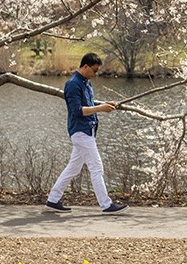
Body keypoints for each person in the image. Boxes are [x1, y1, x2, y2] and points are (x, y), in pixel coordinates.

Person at [45, 53, 128, 213]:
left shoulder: (86, 83)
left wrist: (105, 104)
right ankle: (106, 204)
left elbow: (89, 103)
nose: (95, 74)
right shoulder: (73, 84)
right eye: (94, 70)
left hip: (88, 131)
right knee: (97, 167)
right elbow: (77, 110)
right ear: (85, 67)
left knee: (73, 168)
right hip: (80, 131)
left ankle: (53, 199)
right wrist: (101, 109)